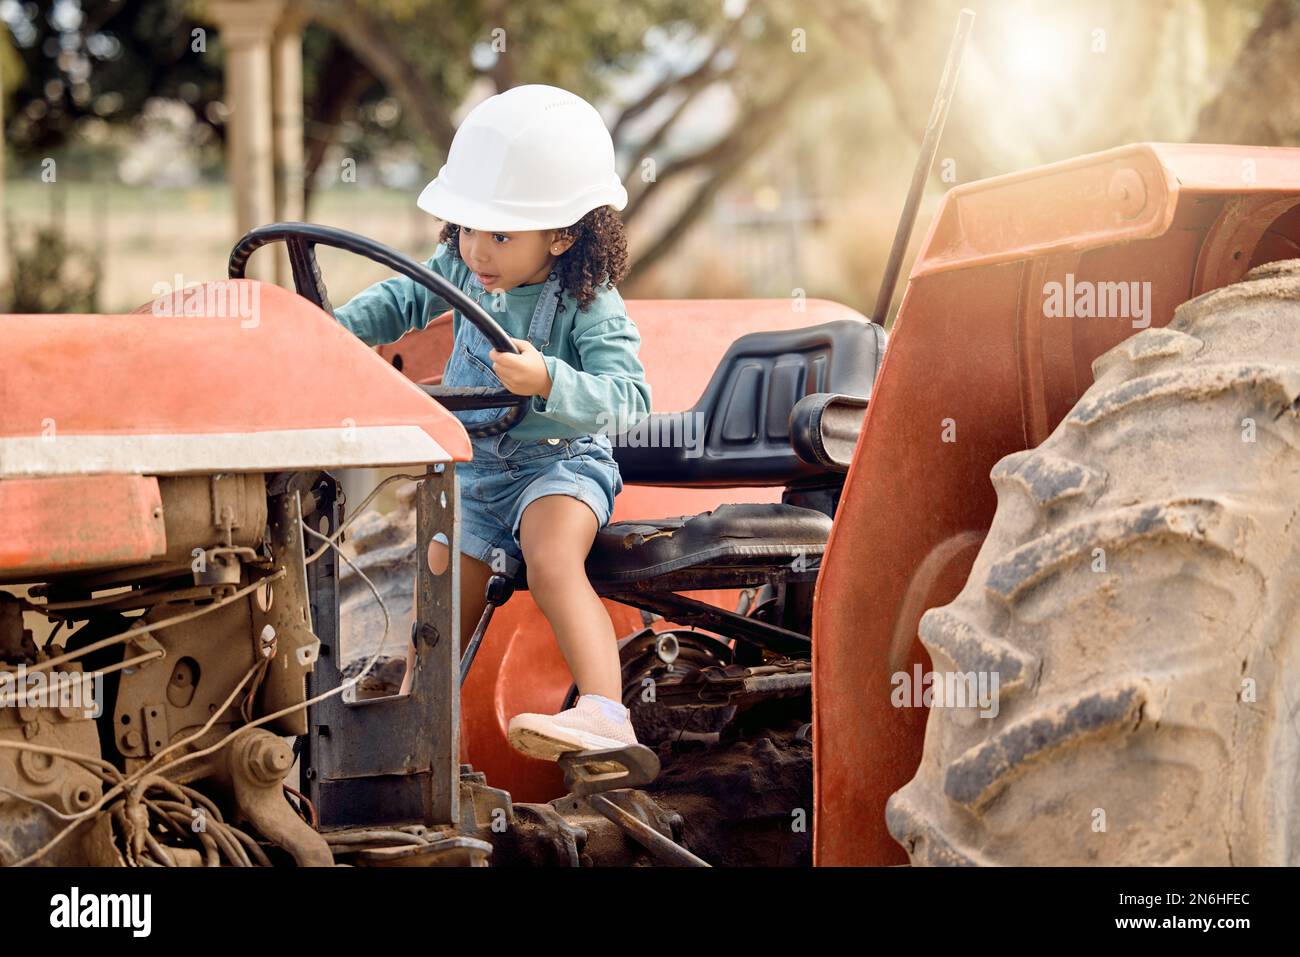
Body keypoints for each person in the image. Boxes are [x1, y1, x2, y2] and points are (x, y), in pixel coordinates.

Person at [333, 84, 651, 759]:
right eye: (469, 226)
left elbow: (630, 398)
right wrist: (331, 330)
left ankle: (604, 713)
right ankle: (413, 745)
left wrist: (550, 381)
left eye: (500, 233)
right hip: (476, 476)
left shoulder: (587, 302)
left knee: (550, 554)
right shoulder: (463, 269)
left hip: (560, 463)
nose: (478, 249)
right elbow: (400, 298)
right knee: (439, 603)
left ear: (564, 233)